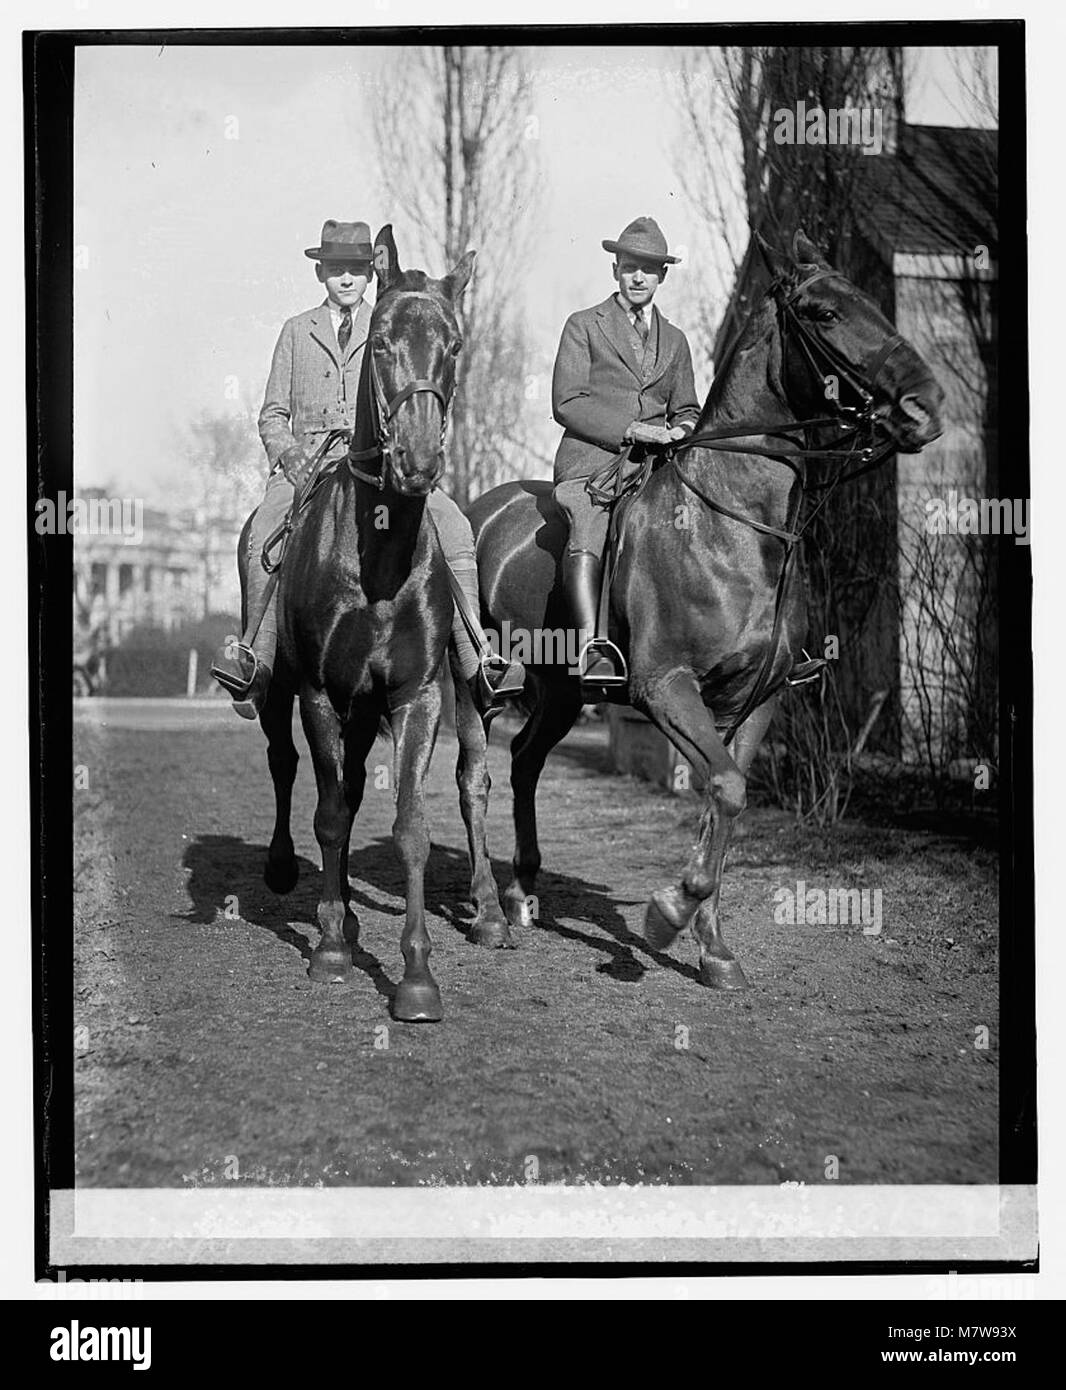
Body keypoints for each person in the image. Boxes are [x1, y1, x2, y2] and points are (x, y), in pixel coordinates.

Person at [211, 219, 523, 717]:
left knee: (457, 528)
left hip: (377, 468)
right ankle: (256, 659)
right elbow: (271, 414)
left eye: (356, 270)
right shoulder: (296, 331)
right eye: (337, 270)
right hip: (306, 468)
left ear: (369, 275)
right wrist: (289, 456)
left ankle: (478, 660)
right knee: (263, 533)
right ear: (321, 274)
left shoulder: (391, 323)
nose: (347, 279)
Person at [551, 216, 701, 689]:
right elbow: (567, 402)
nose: (638, 277)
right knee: (590, 522)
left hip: (659, 468)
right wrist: (635, 430)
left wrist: (680, 430)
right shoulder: (583, 326)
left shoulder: (675, 341)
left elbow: (689, 407)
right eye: (630, 266)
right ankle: (591, 647)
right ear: (616, 268)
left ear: (663, 276)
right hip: (594, 465)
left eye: (649, 269)